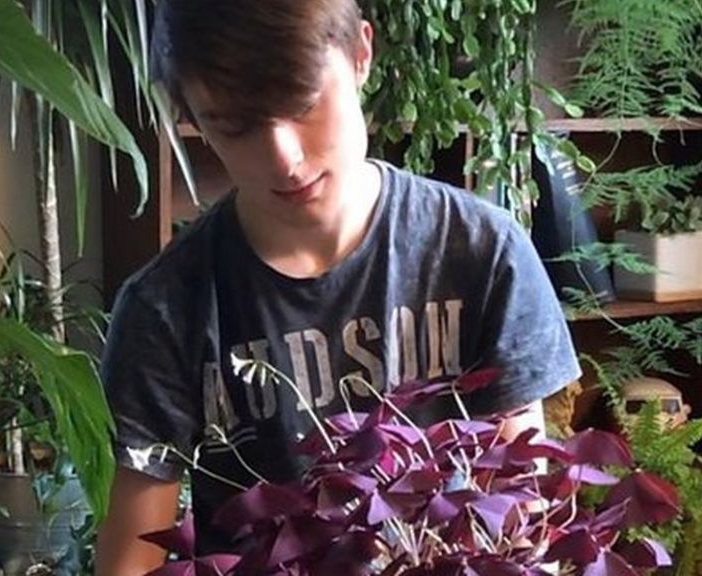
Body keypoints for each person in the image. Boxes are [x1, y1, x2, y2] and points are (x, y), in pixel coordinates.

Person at [94, 0, 581, 573]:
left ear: (360, 55)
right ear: (195, 121)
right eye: (237, 125)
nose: (284, 158)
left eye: (302, 103)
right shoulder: (165, 308)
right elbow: (134, 558)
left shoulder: (481, 255)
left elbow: (520, 515)